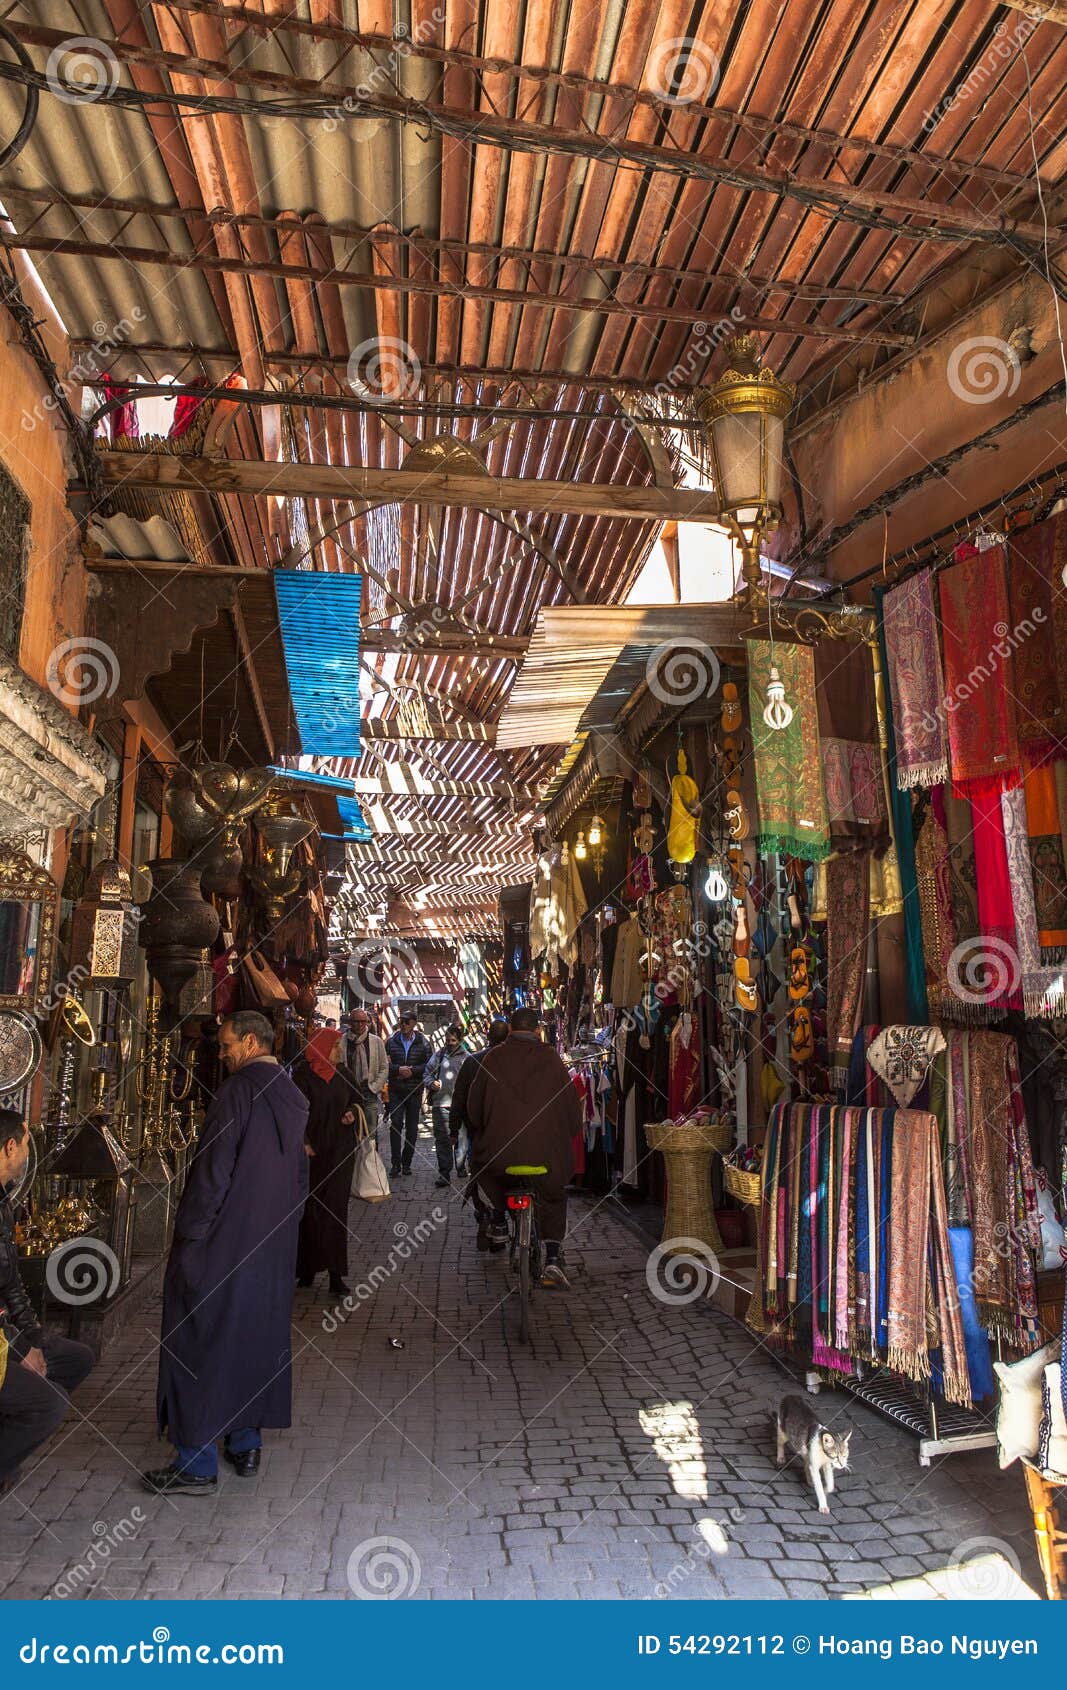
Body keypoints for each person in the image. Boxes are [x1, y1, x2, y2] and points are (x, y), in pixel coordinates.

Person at [144, 1010, 309, 1496]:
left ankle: (195, 1462)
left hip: (223, 1241)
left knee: (200, 1333)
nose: (222, 1054)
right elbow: (300, 1177)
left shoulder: (239, 1092)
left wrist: (192, 1234)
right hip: (271, 1243)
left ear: (252, 1041)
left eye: (226, 1045)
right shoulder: (292, 1094)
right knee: (254, 1334)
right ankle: (245, 1440)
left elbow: (213, 1171)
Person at [0, 1111, 94, 1497]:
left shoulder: (4, 1201)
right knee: (49, 1404)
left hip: (8, 1336)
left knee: (77, 1358)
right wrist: (21, 1350)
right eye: (24, 1144)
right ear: (9, 1147)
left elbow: (13, 1284)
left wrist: (34, 1337)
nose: (26, 1153)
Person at [466, 1008, 582, 1289]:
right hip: (546, 1155)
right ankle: (553, 1256)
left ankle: (500, 1224)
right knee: (553, 1195)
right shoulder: (552, 1059)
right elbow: (572, 1113)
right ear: (538, 1031)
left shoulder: (493, 1058)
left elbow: (474, 1110)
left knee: (491, 1178)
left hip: (500, 1155)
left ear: (510, 1031)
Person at [293, 1028, 360, 1296]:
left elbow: (359, 1100)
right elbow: (295, 1112)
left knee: (335, 1212)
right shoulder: (302, 1075)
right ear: (321, 1047)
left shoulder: (344, 1074)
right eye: (335, 1046)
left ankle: (335, 1275)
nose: (339, 1051)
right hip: (312, 1154)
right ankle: (307, 1268)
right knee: (309, 1212)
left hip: (341, 1153)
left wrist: (352, 1113)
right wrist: (304, 1141)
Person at [449, 1016, 509, 1173]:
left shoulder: (472, 1061)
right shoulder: (518, 1062)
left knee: (478, 1163)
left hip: (478, 1125)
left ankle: (476, 1185)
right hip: (507, 1126)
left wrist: (454, 1129)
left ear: (488, 1037)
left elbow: (459, 1097)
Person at [384, 1011, 431, 1178]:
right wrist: (397, 1069)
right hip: (396, 1090)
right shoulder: (391, 1042)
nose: (403, 1024)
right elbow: (383, 1065)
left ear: (413, 1024)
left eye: (406, 1022)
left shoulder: (424, 1043)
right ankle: (395, 1163)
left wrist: (412, 1071)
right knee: (396, 1124)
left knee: (412, 1128)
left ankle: (406, 1163)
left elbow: (429, 1065)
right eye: (401, 1021)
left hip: (414, 1091)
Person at [423, 1024, 468, 1188]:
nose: (450, 1043)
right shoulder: (439, 1056)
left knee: (461, 1139)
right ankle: (444, 1173)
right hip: (440, 1104)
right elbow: (426, 1073)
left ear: (460, 1040)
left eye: (453, 1040)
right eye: (448, 1040)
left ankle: (460, 1165)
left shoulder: (466, 1058)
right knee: (442, 1140)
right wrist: (430, 1083)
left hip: (461, 1106)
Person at [342, 1007, 388, 1128]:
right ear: (350, 1023)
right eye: (357, 1021)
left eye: (364, 1021)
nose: (360, 1024)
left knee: (370, 1131)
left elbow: (384, 1067)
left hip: (369, 1092)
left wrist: (375, 1087)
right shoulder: (342, 1041)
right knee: (349, 1130)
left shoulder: (376, 1041)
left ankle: (371, 1147)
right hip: (347, 1093)